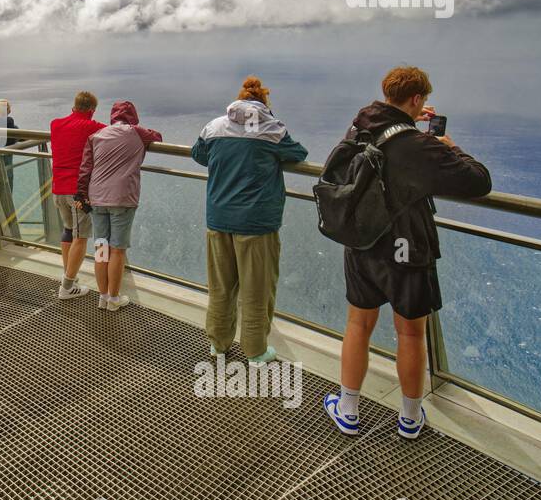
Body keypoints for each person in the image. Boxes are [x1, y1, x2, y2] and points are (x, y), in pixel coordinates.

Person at [324, 66, 491, 440]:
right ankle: (411, 418)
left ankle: (348, 409)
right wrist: (448, 145)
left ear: (387, 94)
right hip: (407, 247)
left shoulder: (360, 126)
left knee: (358, 325)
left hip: (363, 241)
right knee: (411, 334)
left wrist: (412, 125)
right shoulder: (419, 145)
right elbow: (479, 181)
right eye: (423, 101)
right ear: (416, 99)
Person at [191, 77, 308, 365]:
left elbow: (199, 154)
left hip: (218, 218)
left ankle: (218, 344)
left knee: (221, 286)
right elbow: (298, 154)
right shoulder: (272, 129)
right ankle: (255, 351)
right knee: (257, 289)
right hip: (256, 223)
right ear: (263, 104)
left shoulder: (215, 127)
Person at [76, 101, 161, 311]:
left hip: (96, 198)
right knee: (117, 250)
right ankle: (114, 299)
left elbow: (85, 169)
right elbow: (157, 137)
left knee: (101, 247)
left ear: (112, 117)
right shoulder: (136, 132)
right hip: (122, 198)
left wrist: (82, 195)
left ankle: (103, 296)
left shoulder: (96, 136)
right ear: (132, 117)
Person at [50, 91, 104, 299]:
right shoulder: (92, 127)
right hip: (78, 193)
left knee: (68, 231)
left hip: (58, 188)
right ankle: (67, 287)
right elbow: (115, 133)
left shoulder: (55, 124)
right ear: (91, 110)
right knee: (81, 237)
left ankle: (69, 276)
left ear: (74, 106)